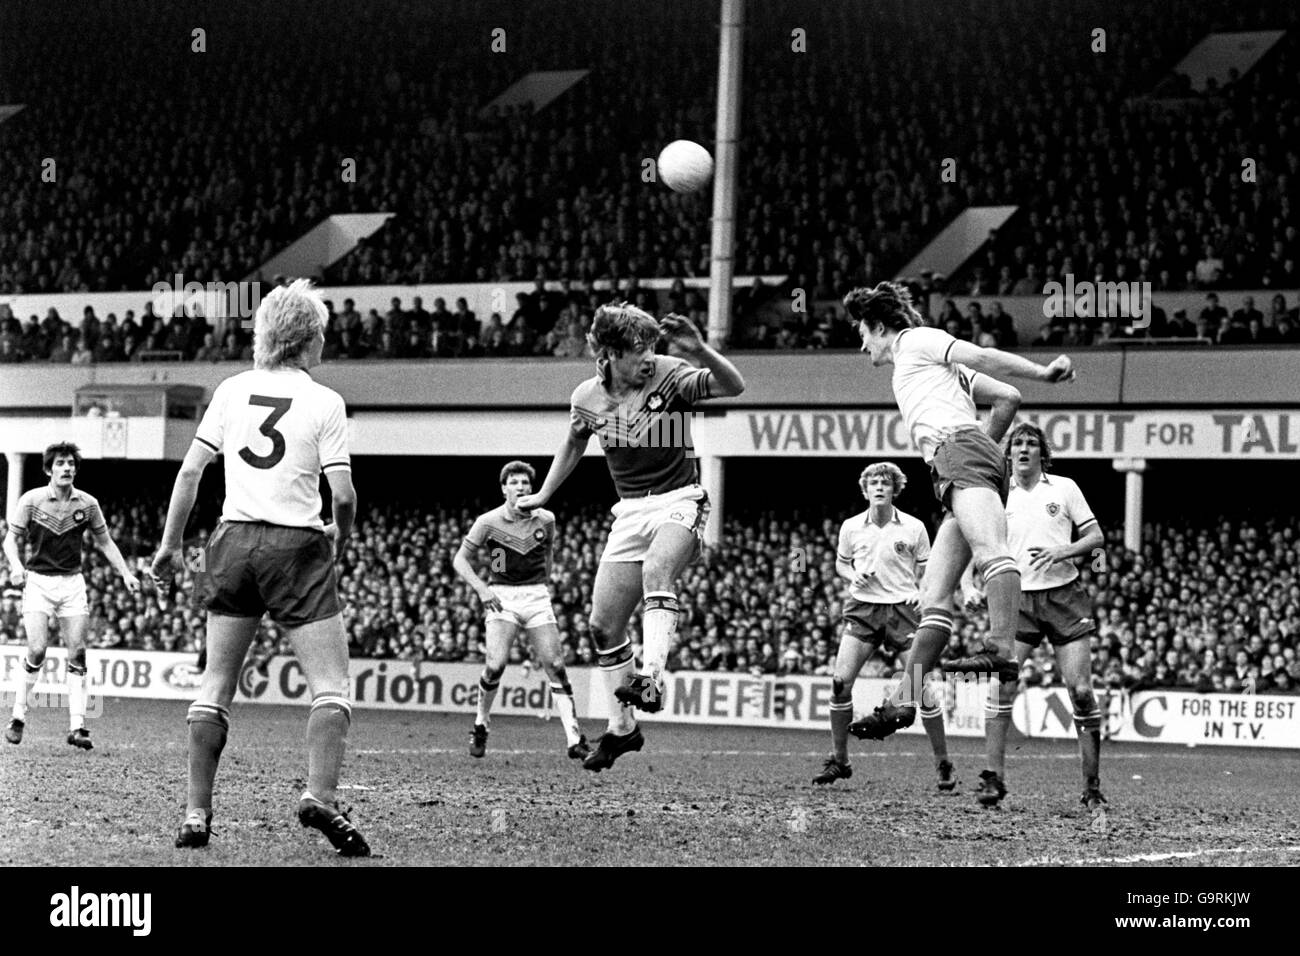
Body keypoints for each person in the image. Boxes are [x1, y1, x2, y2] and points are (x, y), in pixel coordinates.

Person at [150, 279, 368, 856]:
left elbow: (191, 474)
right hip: (297, 545)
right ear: (306, 337)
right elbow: (343, 495)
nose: (325, 341)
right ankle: (319, 794)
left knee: (215, 684)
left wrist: (171, 546)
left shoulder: (231, 389)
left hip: (231, 542)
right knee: (330, 686)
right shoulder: (325, 401)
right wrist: (338, 536)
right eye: (321, 332)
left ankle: (197, 813)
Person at [842, 281, 1075, 809]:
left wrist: (1043, 373)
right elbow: (1007, 400)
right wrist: (989, 451)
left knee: (995, 553)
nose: (862, 347)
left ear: (879, 326)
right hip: (962, 460)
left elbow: (992, 359)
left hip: (958, 454)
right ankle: (904, 700)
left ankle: (999, 650)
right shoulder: (940, 374)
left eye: (863, 335)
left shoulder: (917, 342)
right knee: (933, 596)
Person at [516, 305, 744, 772]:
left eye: (652, 346)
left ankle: (652, 680)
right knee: (602, 624)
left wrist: (701, 350)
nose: (648, 356)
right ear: (612, 353)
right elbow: (575, 442)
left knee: (658, 569)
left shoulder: (670, 374)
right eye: (639, 349)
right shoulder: (587, 397)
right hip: (630, 511)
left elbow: (733, 386)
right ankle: (623, 730)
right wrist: (542, 493)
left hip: (681, 498)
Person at [966, 423, 1106, 809]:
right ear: (1007, 453)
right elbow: (966, 540)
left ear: (1043, 453)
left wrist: (1063, 552)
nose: (1023, 448)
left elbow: (1096, 539)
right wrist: (967, 585)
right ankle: (993, 779)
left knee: (1080, 691)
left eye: (1031, 443)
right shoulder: (993, 495)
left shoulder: (1064, 488)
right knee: (1002, 687)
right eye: (1017, 443)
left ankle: (1091, 785)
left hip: (1065, 598)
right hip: (1016, 601)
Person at [811, 463, 956, 792]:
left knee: (921, 689)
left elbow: (930, 569)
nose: (879, 487)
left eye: (885, 482)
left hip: (903, 610)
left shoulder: (914, 527)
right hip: (862, 608)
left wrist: (924, 594)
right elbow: (841, 563)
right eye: (873, 482)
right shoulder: (850, 527)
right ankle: (840, 760)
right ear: (865, 490)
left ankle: (943, 763)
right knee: (839, 682)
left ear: (894, 489)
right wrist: (851, 576)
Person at [4, 443, 141, 749]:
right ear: (48, 469)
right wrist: (15, 566)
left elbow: (105, 542)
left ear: (76, 469)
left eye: (70, 463)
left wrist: (126, 573)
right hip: (39, 582)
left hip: (72, 584)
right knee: (37, 649)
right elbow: (10, 541)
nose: (66, 468)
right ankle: (17, 715)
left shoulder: (88, 504)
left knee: (77, 652)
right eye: (60, 463)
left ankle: (77, 726)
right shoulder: (32, 500)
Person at [451, 460, 589, 760]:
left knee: (555, 663)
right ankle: (481, 723)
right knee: (496, 664)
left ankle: (574, 738)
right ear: (504, 489)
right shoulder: (488, 522)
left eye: (525, 483)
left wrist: (544, 584)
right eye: (514, 482)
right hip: (502, 596)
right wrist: (483, 589)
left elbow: (548, 551)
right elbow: (460, 560)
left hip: (537, 595)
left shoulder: (546, 519)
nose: (521, 487)